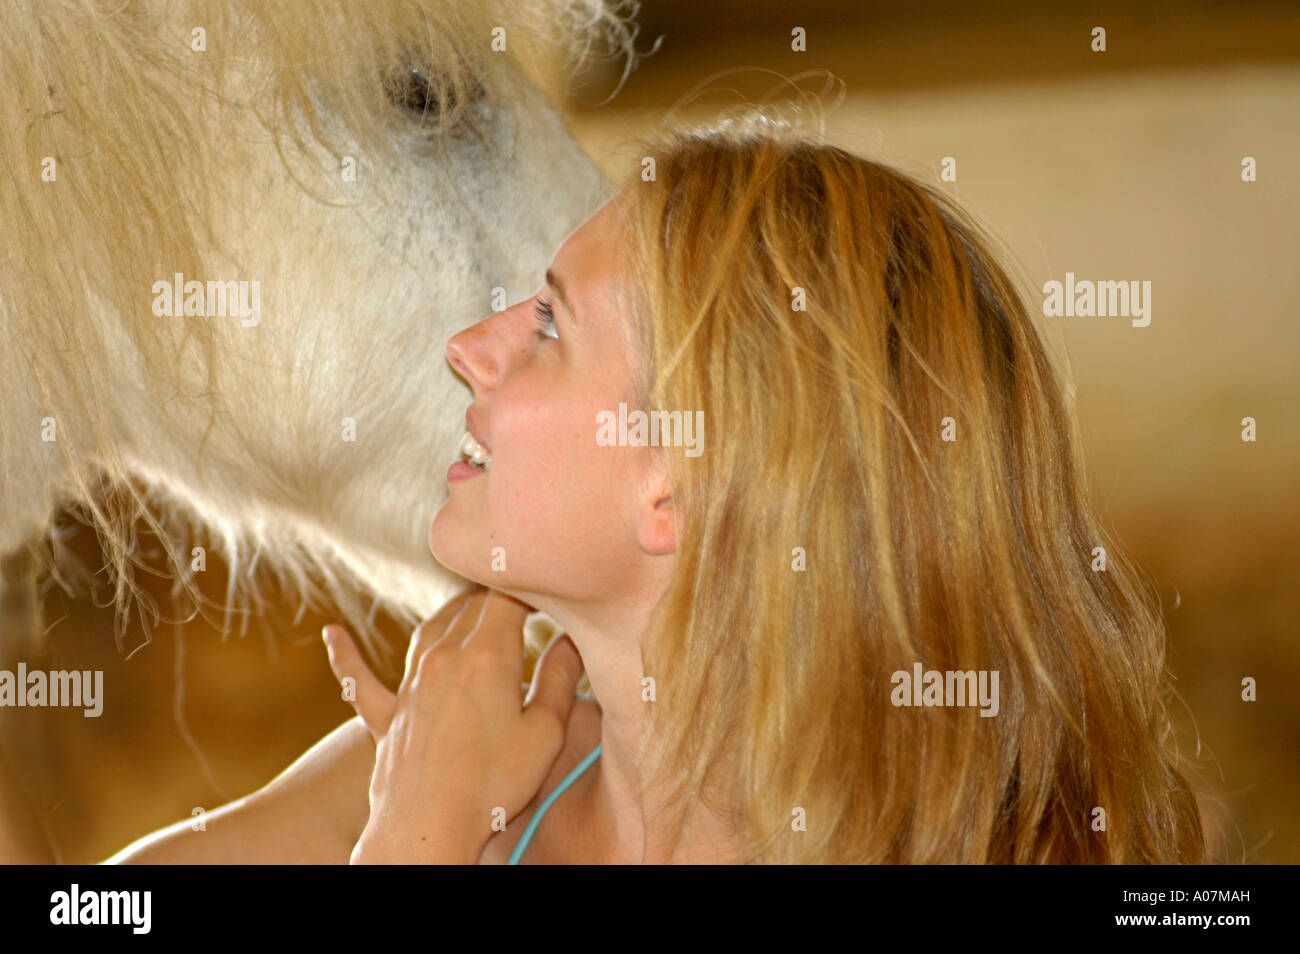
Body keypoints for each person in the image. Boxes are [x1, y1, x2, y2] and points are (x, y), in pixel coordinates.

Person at [107, 113, 1205, 864]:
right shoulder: (474, 735)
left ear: (676, 483)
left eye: (546, 326)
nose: (465, 348)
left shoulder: (443, 782)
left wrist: (415, 841)